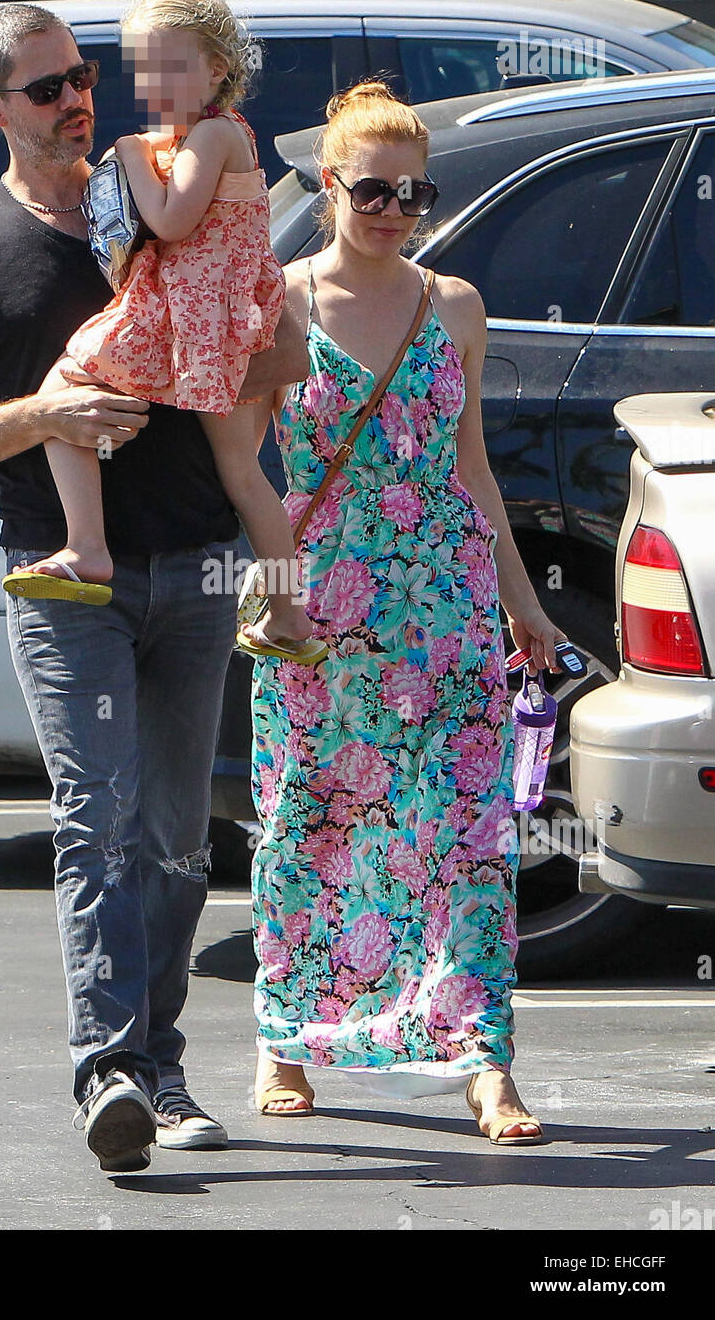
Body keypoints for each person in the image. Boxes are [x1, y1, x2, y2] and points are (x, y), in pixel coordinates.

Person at [0, 1, 310, 1173]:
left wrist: (266, 324)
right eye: (46, 88)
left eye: (82, 76)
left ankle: (166, 1063)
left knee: (179, 838)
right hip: (63, 580)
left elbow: (274, 361)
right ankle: (112, 1071)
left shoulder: (162, 187)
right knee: (97, 824)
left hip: (193, 568)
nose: (78, 98)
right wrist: (49, 412)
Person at [249, 80, 567, 1145]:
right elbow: (237, 466)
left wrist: (524, 607)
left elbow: (473, 470)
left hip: (447, 612)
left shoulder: (457, 306)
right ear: (328, 184)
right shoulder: (278, 301)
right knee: (314, 822)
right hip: (323, 615)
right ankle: (286, 1036)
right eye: (373, 189)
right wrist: (270, 582)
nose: (394, 210)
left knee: (469, 835)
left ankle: (485, 1059)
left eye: (414, 193)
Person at [2, 0, 325, 666]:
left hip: (196, 321)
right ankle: (290, 615)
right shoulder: (212, 133)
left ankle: (87, 545)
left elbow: (173, 220)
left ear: (218, 68)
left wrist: (125, 154)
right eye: (145, 68)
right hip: (228, 323)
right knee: (245, 477)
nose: (156, 83)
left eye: (174, 66)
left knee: (66, 381)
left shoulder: (211, 134)